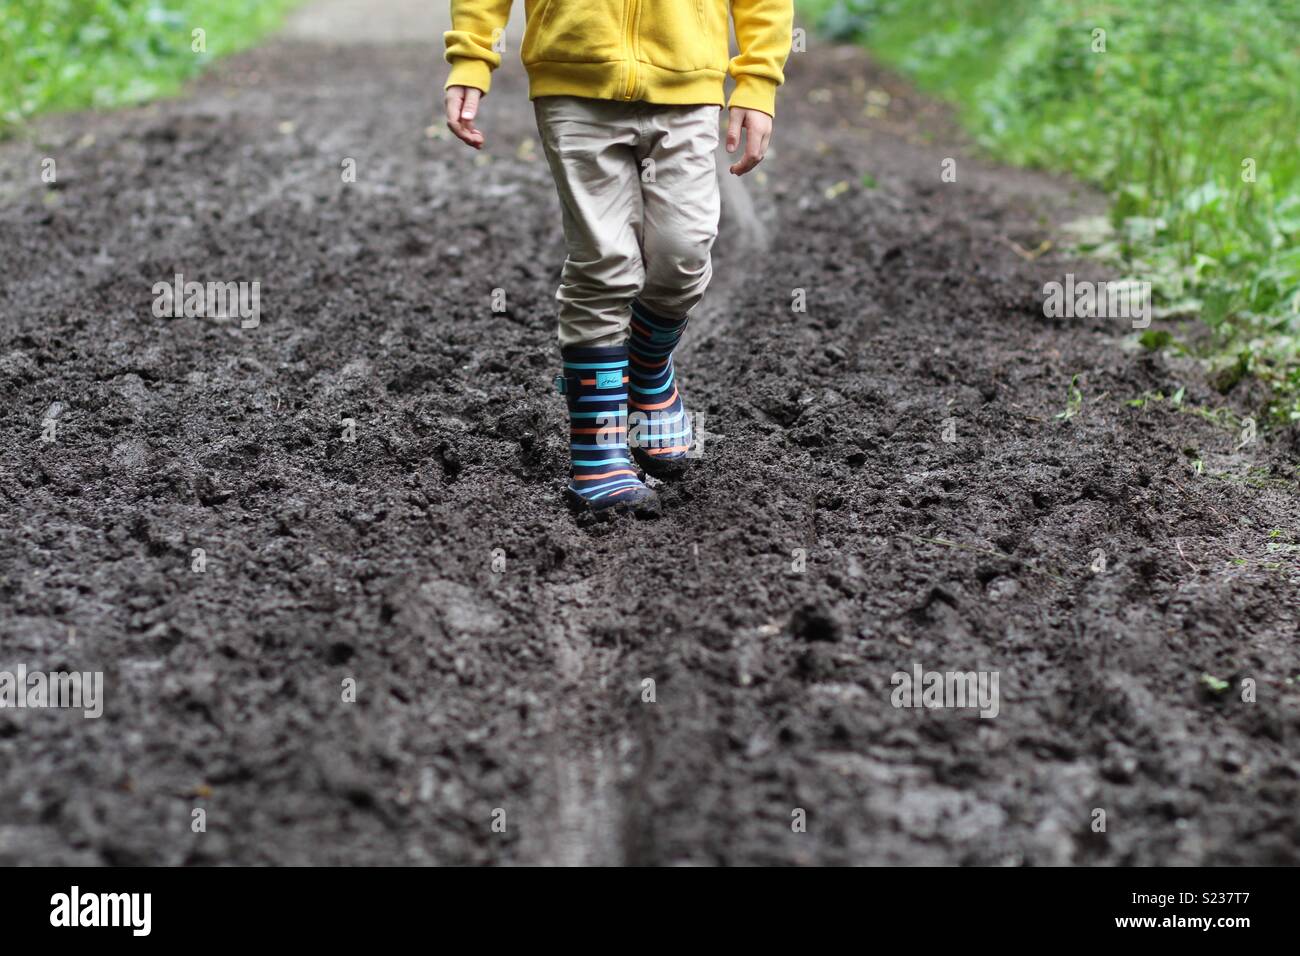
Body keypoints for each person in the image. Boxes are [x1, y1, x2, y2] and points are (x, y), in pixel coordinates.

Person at [443, 1, 794, 514]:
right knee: (604, 263)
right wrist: (472, 57)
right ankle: (598, 452)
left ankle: (648, 370)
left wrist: (758, 81)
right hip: (574, 80)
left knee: (683, 252)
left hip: (688, 83)